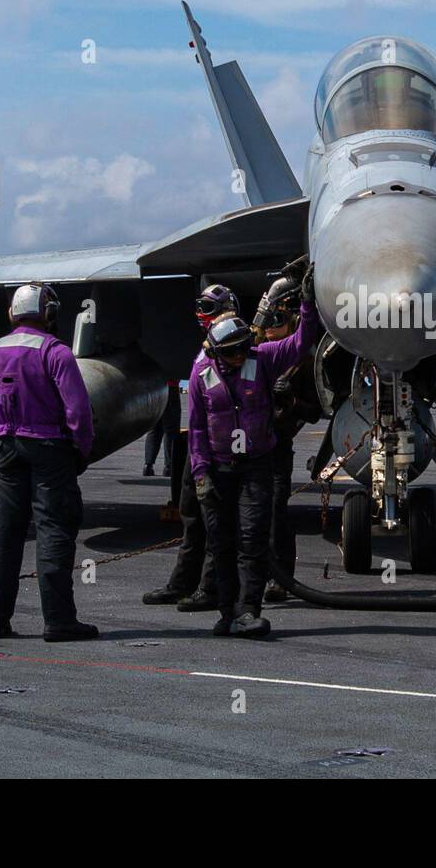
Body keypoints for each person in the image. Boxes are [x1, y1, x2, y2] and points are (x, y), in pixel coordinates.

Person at [190, 267, 321, 638]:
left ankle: (248, 611)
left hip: (256, 467)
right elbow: (196, 428)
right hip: (218, 470)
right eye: (231, 354)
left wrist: (308, 304)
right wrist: (200, 474)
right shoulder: (201, 374)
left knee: (252, 540)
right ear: (216, 352)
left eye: (241, 350)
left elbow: (301, 341)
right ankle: (226, 613)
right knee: (221, 544)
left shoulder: (260, 358)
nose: (238, 357)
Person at [0, 283, 98, 643]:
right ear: (49, 313)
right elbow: (78, 411)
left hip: (7, 450)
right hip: (50, 450)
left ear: (12, 313)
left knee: (5, 535)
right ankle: (59, 621)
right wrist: (81, 450)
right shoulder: (56, 352)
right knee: (53, 530)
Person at [142, 283, 241, 610]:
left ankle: (211, 589)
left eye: (209, 308)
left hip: (225, 451)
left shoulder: (238, 349)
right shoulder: (205, 352)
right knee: (192, 516)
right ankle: (183, 582)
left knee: (216, 523)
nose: (203, 315)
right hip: (200, 447)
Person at [253, 275, 323, 603]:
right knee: (249, 514)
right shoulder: (254, 355)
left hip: (278, 444)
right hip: (248, 447)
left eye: (279, 320)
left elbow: (314, 412)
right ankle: (249, 577)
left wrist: (291, 400)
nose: (271, 326)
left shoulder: (301, 363)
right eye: (269, 320)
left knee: (276, 512)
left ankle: (280, 578)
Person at [143, 381, 179, 477]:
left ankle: (148, 465)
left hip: (154, 388)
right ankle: (169, 466)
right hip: (170, 387)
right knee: (171, 430)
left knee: (154, 428)